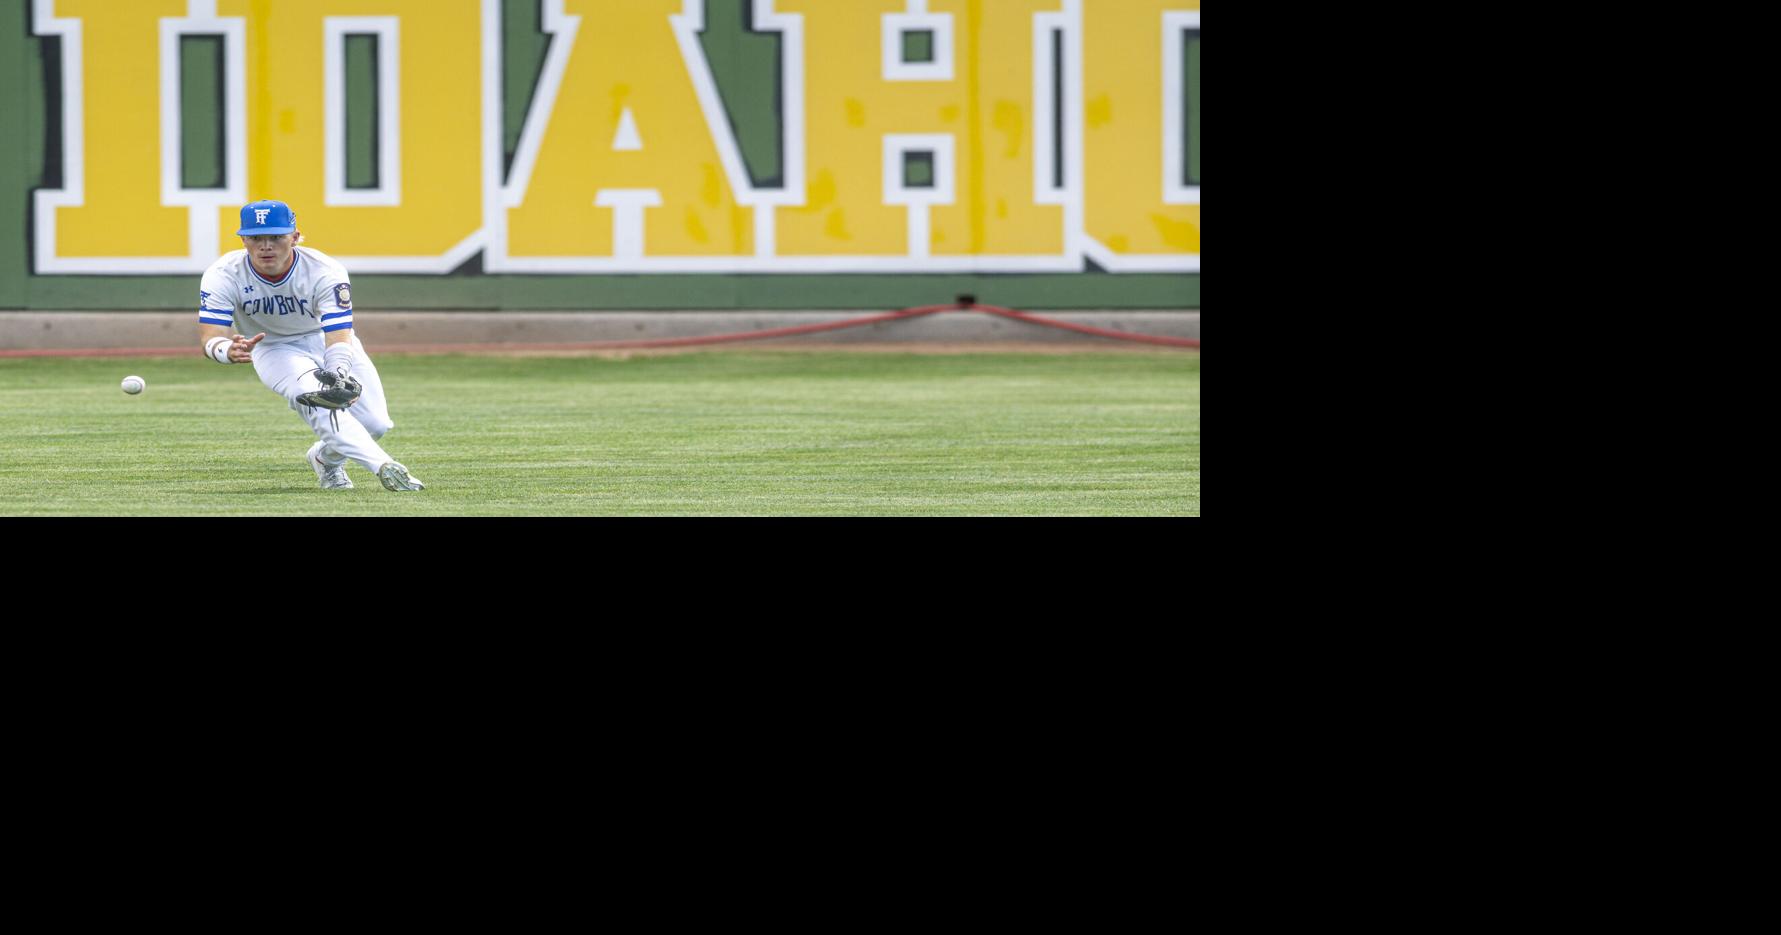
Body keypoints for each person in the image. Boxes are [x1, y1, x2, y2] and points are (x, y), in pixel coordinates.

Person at [197, 199, 425, 492]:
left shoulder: (324, 270)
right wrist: (224, 350)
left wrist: (338, 371)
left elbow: (339, 332)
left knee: (376, 424)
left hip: (325, 340)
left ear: (294, 237)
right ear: (243, 240)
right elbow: (210, 336)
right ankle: (386, 468)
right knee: (311, 396)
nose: (266, 246)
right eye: (256, 237)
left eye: (276, 237)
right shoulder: (223, 274)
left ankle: (324, 458)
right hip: (273, 348)